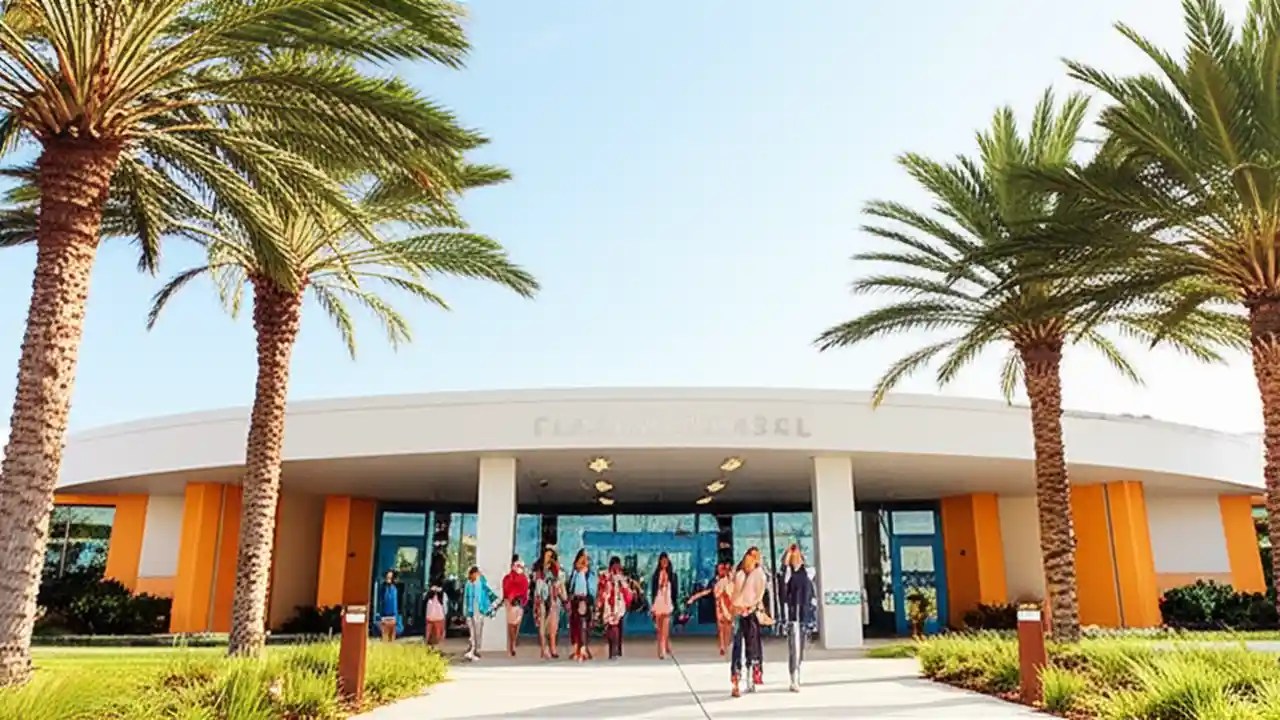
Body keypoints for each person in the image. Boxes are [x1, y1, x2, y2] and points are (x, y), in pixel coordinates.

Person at [730, 546, 768, 698]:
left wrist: (751, 607)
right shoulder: (739, 572)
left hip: (751, 613)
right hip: (739, 612)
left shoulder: (759, 574)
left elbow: (760, 595)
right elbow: (732, 591)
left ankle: (751, 677)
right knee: (738, 647)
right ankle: (736, 681)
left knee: (752, 646)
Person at [783, 546, 816, 692]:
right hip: (793, 614)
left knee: (800, 647)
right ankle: (793, 677)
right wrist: (788, 556)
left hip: (804, 613)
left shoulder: (808, 572)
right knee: (793, 648)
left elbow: (812, 594)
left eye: (798, 556)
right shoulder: (788, 573)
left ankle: (797, 673)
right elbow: (783, 586)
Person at [689, 562, 735, 656]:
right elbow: (707, 591)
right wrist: (694, 597)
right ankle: (722, 645)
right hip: (719, 605)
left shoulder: (730, 580)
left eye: (723, 569)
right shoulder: (714, 581)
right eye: (719, 569)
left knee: (728, 626)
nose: (721, 571)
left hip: (728, 605)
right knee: (720, 627)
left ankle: (726, 643)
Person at [532, 548, 567, 659]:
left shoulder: (558, 572)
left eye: (551, 556)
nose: (548, 559)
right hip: (541, 601)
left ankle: (553, 648)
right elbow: (536, 587)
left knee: (553, 626)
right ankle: (544, 648)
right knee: (542, 625)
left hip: (554, 601)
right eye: (547, 556)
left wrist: (564, 599)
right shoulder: (538, 571)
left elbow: (561, 587)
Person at [598, 556, 633, 660]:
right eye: (615, 564)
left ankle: (616, 649)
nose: (617, 567)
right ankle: (611, 649)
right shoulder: (605, 575)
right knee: (610, 628)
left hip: (619, 605)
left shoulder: (621, 577)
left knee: (617, 627)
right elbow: (601, 589)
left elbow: (627, 589)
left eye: (618, 565)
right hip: (608, 604)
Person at [462, 565, 498, 662]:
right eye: (475, 573)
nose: (477, 575)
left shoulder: (481, 583)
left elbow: (487, 593)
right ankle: (472, 649)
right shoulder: (468, 584)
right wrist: (465, 611)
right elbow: (466, 598)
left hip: (479, 611)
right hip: (470, 611)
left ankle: (475, 649)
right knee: (472, 632)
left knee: (478, 631)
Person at [567, 549, 596, 662]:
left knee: (583, 625)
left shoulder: (589, 573)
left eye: (586, 558)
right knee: (574, 625)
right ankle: (576, 649)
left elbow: (592, 590)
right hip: (575, 600)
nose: (584, 561)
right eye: (582, 558)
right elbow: (570, 587)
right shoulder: (575, 573)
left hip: (584, 600)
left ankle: (583, 649)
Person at [649, 552, 678, 659]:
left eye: (666, 561)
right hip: (658, 601)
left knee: (665, 628)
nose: (664, 563)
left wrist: (675, 604)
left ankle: (663, 650)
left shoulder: (672, 575)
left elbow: (675, 591)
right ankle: (662, 647)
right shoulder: (656, 575)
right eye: (662, 561)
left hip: (667, 602)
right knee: (659, 629)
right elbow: (653, 590)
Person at [502, 554, 530, 657]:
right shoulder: (508, 578)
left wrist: (524, 600)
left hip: (519, 603)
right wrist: (508, 599)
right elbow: (506, 590)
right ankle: (512, 644)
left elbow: (525, 590)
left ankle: (513, 642)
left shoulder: (523, 578)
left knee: (517, 624)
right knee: (511, 624)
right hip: (510, 603)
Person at [376, 570, 400, 642]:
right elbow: (381, 602)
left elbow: (395, 603)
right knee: (385, 637)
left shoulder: (394, 588)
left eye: (390, 576)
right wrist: (380, 617)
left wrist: (396, 617)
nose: (389, 578)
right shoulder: (383, 588)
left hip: (393, 616)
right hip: (385, 616)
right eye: (388, 576)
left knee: (392, 638)